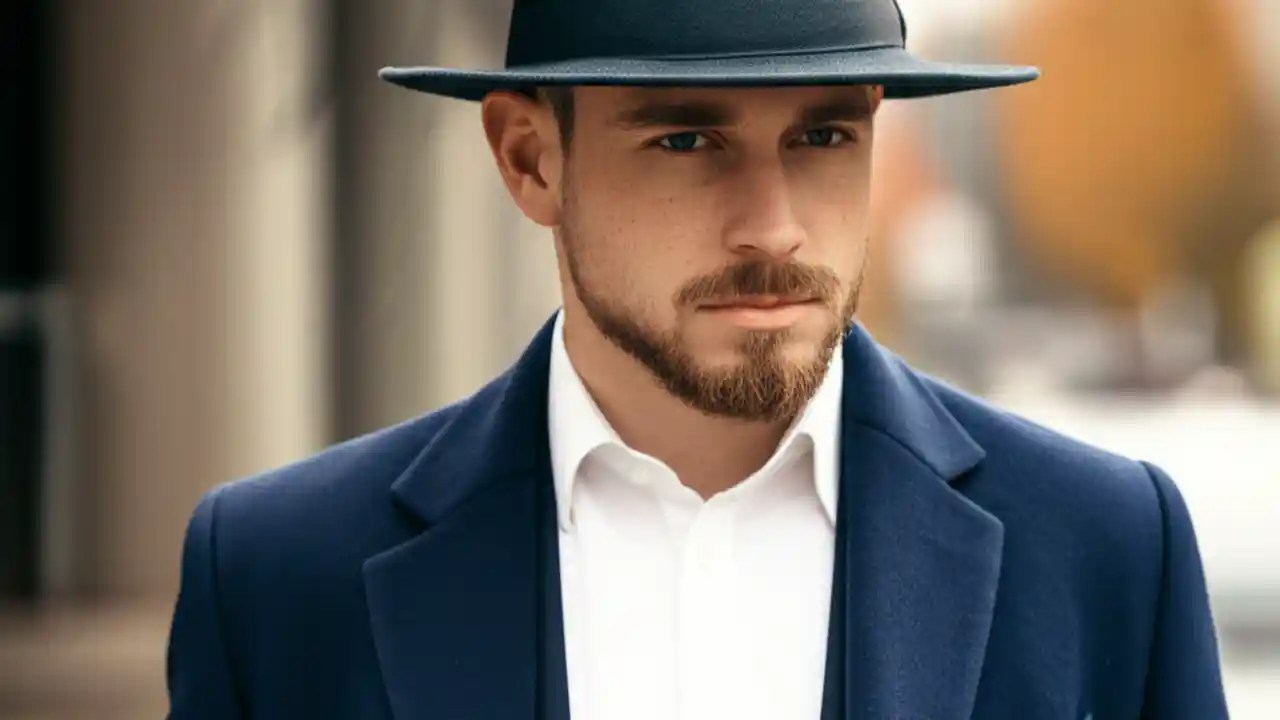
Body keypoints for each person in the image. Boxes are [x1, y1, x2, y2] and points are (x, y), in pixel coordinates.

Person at [165, 0, 1229, 718]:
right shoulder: (278, 576)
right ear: (530, 161)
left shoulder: (1102, 548)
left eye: (820, 139)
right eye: (685, 140)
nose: (772, 229)